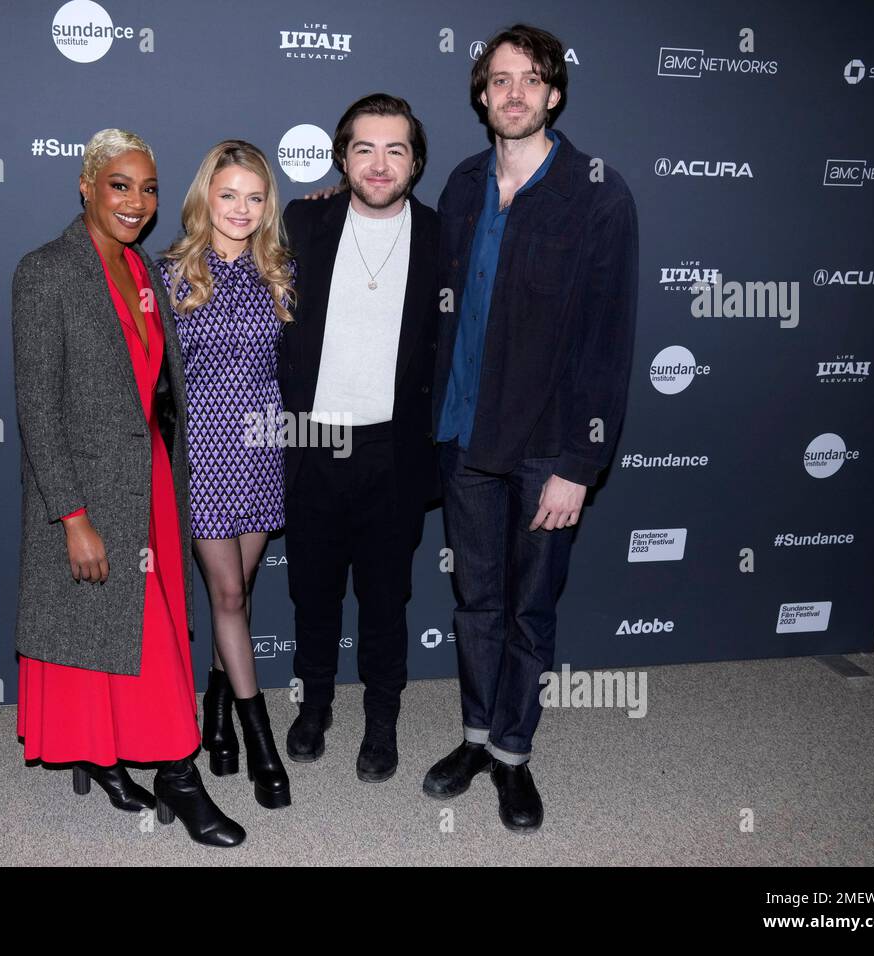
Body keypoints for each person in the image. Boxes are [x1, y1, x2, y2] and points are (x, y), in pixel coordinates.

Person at [424, 24, 639, 832]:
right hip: (463, 435)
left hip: (549, 445)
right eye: (499, 80)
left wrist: (581, 462)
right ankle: (477, 736)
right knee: (475, 600)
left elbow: (608, 337)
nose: (513, 94)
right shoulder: (463, 182)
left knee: (527, 610)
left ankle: (513, 755)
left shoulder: (597, 191)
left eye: (529, 80)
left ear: (554, 93)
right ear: (482, 95)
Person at [12, 128, 244, 848]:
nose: (136, 202)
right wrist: (73, 517)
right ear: (85, 185)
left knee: (154, 626)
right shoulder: (45, 272)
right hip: (91, 489)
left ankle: (101, 754)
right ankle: (179, 771)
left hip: (152, 481)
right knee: (126, 630)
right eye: (120, 185)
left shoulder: (143, 271)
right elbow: (38, 406)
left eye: (147, 189)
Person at [278, 93, 441, 783]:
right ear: (343, 157)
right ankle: (314, 706)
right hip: (313, 443)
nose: (380, 164)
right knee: (312, 594)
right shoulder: (303, 219)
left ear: (416, 161)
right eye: (365, 149)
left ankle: (381, 724)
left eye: (395, 149)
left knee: (385, 600)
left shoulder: (441, 234)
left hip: (393, 453)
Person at [159, 140, 295, 810]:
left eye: (255, 196)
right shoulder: (170, 274)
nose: (242, 208)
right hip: (204, 453)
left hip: (264, 447)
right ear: (205, 198)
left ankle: (214, 711)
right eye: (228, 194)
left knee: (236, 591)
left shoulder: (282, 273)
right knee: (230, 598)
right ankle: (260, 744)